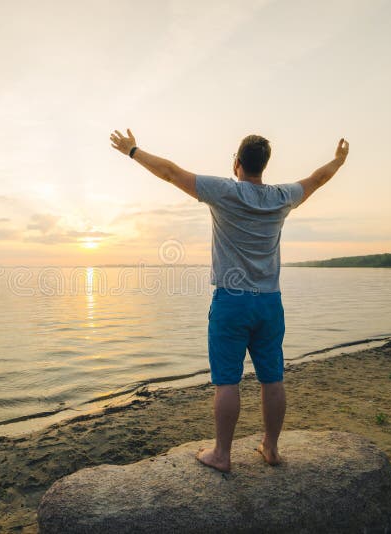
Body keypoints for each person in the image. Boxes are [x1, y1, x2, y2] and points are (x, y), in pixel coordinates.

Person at [110, 129, 349, 472]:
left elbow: (170, 172)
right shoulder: (283, 196)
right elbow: (319, 178)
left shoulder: (224, 191)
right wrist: (339, 160)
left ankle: (222, 454)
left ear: (237, 164)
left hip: (231, 301)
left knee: (227, 381)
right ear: (263, 166)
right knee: (272, 377)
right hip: (269, 301)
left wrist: (133, 151)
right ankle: (271, 447)